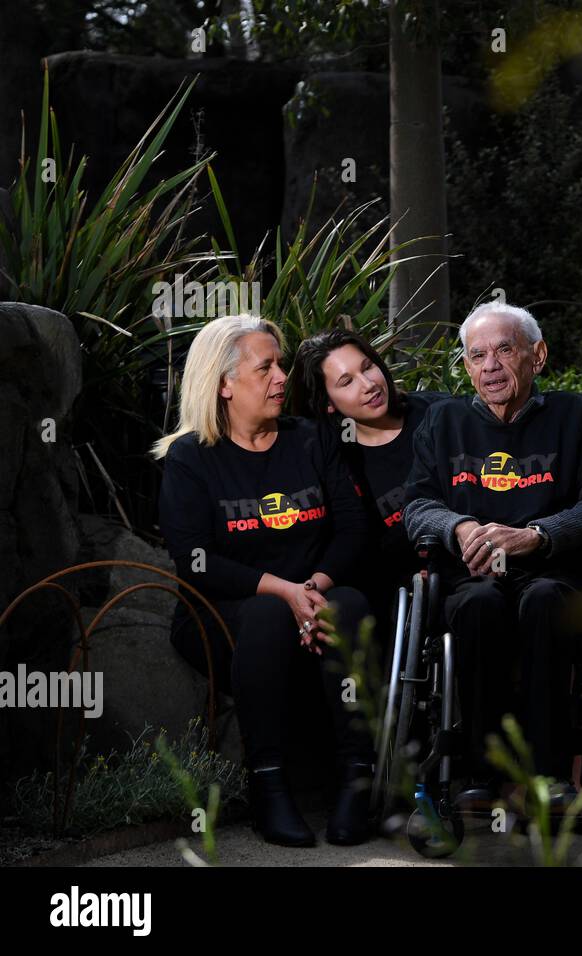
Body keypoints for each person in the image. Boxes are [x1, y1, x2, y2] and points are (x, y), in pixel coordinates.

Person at [153, 314, 375, 847]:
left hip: (313, 595)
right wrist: (284, 590)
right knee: (270, 614)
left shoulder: (311, 439)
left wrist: (314, 586)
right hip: (224, 611)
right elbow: (195, 558)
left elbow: (353, 526)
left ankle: (357, 784)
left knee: (350, 607)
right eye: (266, 367)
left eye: (280, 363)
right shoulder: (190, 458)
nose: (282, 377)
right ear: (224, 384)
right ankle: (269, 788)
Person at [403, 302, 582, 810]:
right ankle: (483, 774)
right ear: (466, 367)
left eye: (505, 349)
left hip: (555, 572)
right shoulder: (444, 422)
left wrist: (538, 535)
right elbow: (417, 505)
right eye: (477, 355)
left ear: (537, 355)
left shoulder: (575, 415)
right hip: (473, 576)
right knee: (480, 607)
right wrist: (457, 527)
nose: (491, 366)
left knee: (546, 601)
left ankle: (551, 776)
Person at [288, 328, 449, 636]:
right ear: (328, 403)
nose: (369, 385)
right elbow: (357, 545)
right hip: (400, 593)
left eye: (368, 367)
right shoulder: (336, 459)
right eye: (346, 382)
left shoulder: (438, 413)